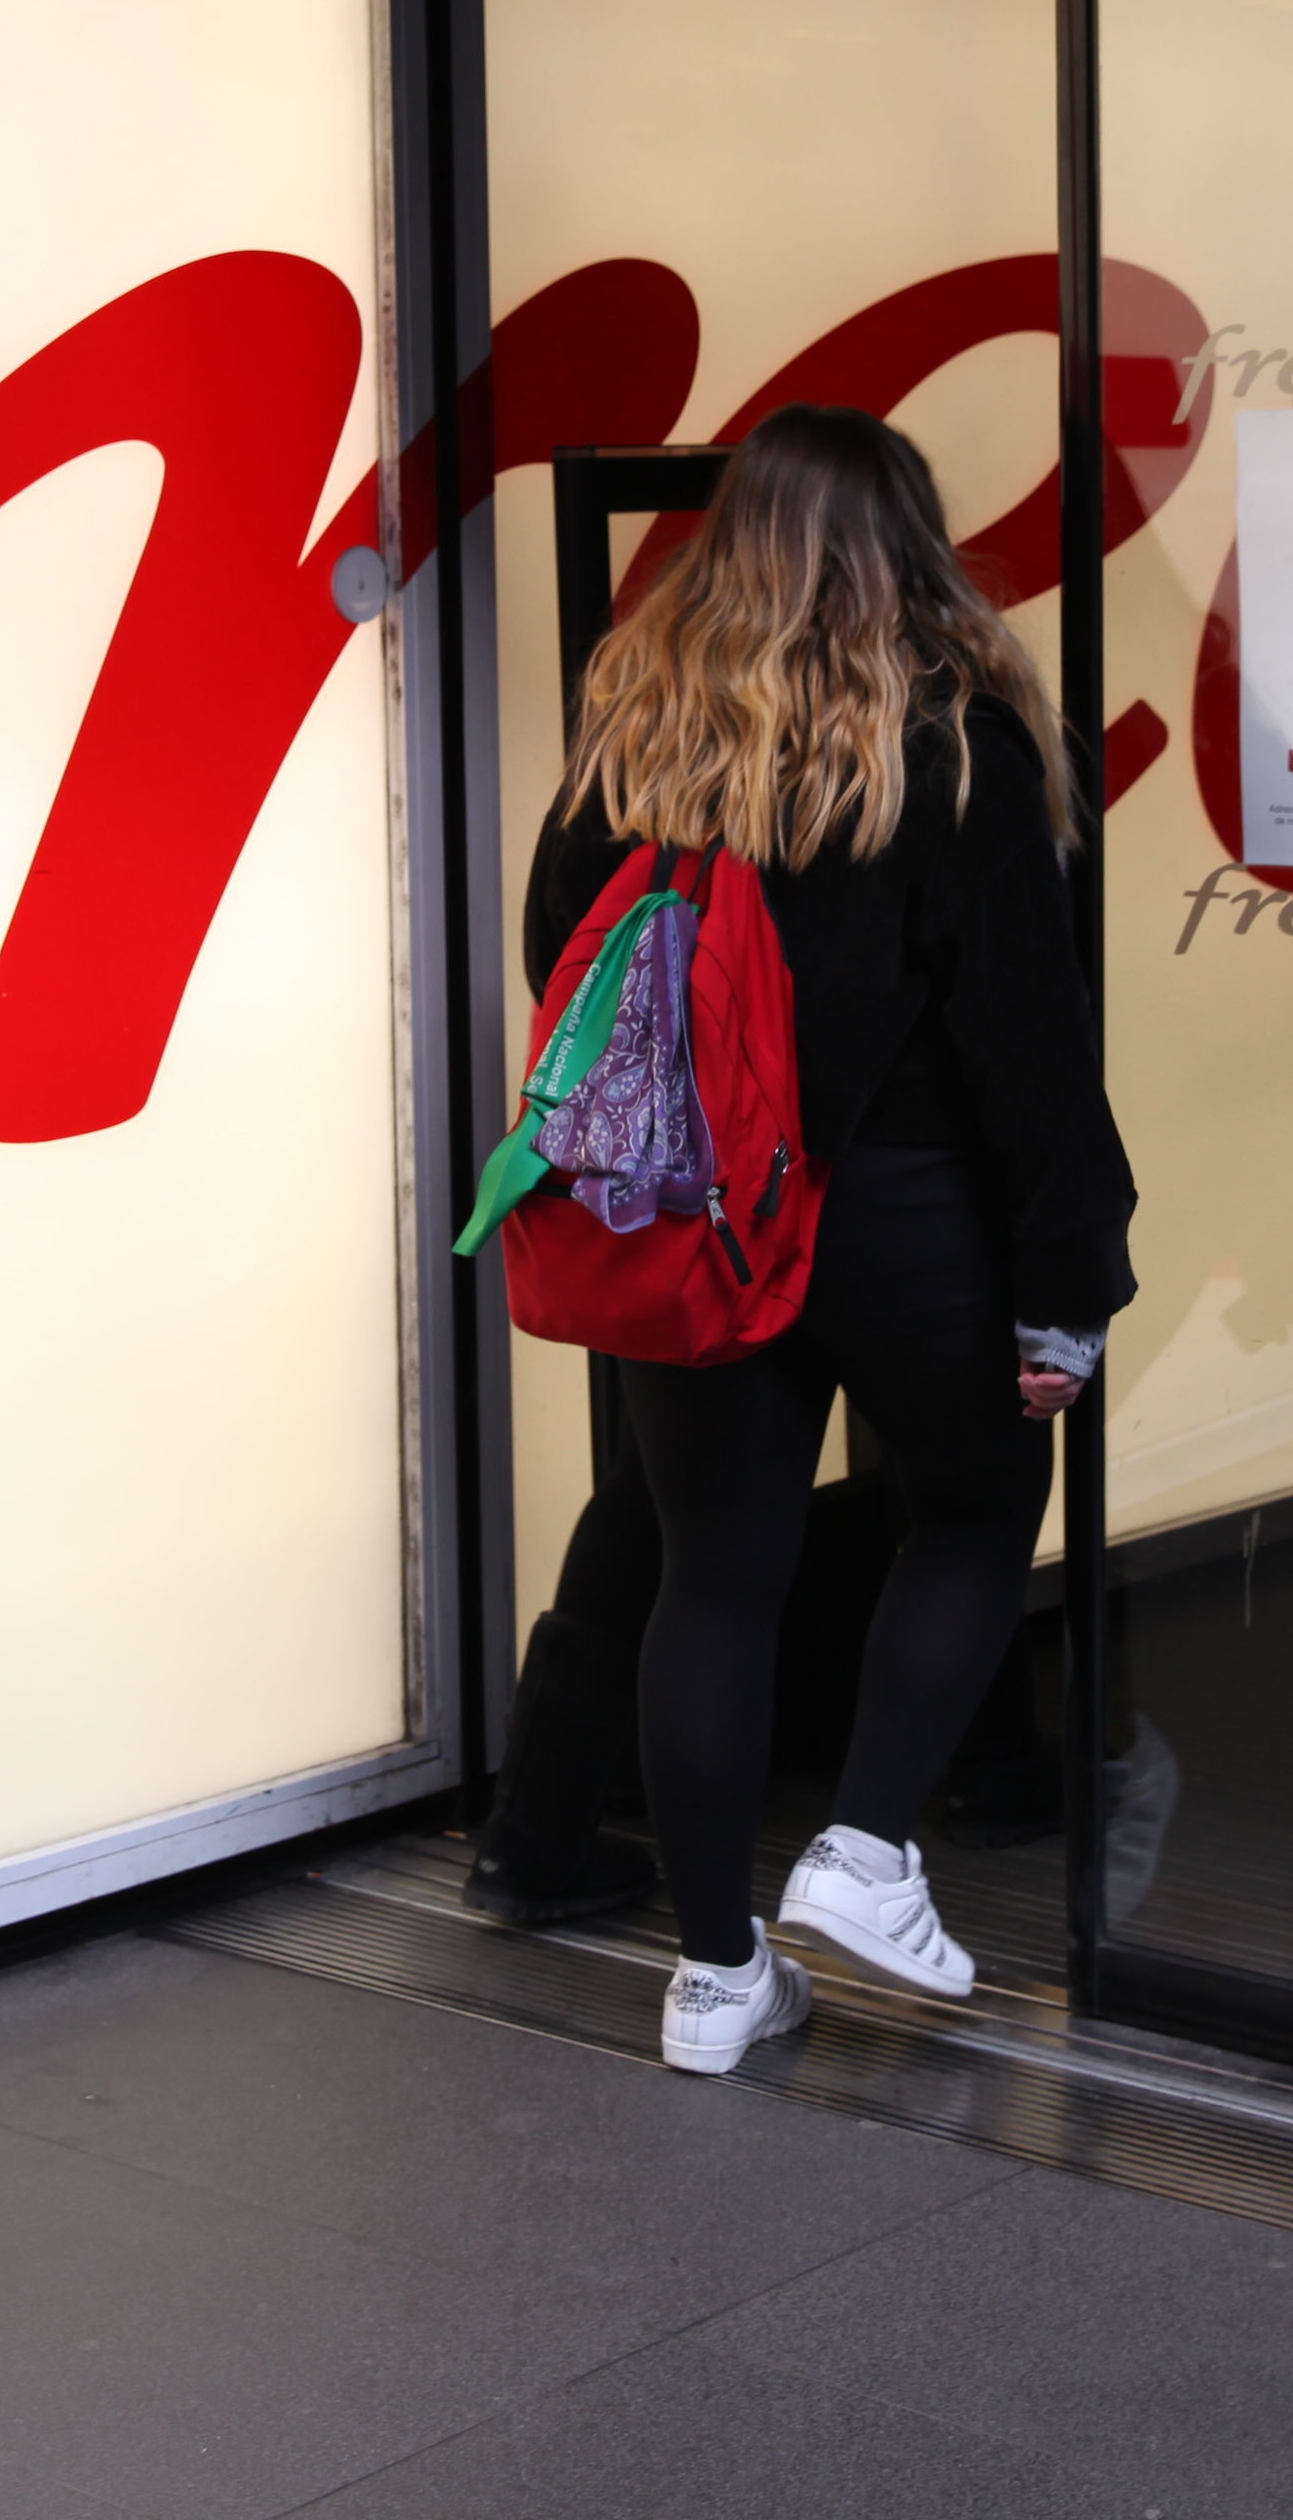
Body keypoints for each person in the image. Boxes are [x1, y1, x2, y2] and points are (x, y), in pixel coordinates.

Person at [520, 405, 1138, 2075]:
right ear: (914, 549)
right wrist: (1070, 1279)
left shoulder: (638, 727)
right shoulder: (960, 748)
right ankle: (865, 1851)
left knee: (712, 1579)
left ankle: (715, 1982)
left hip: (707, 1209)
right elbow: (1030, 1047)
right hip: (912, 1215)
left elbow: (553, 963)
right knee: (972, 1507)